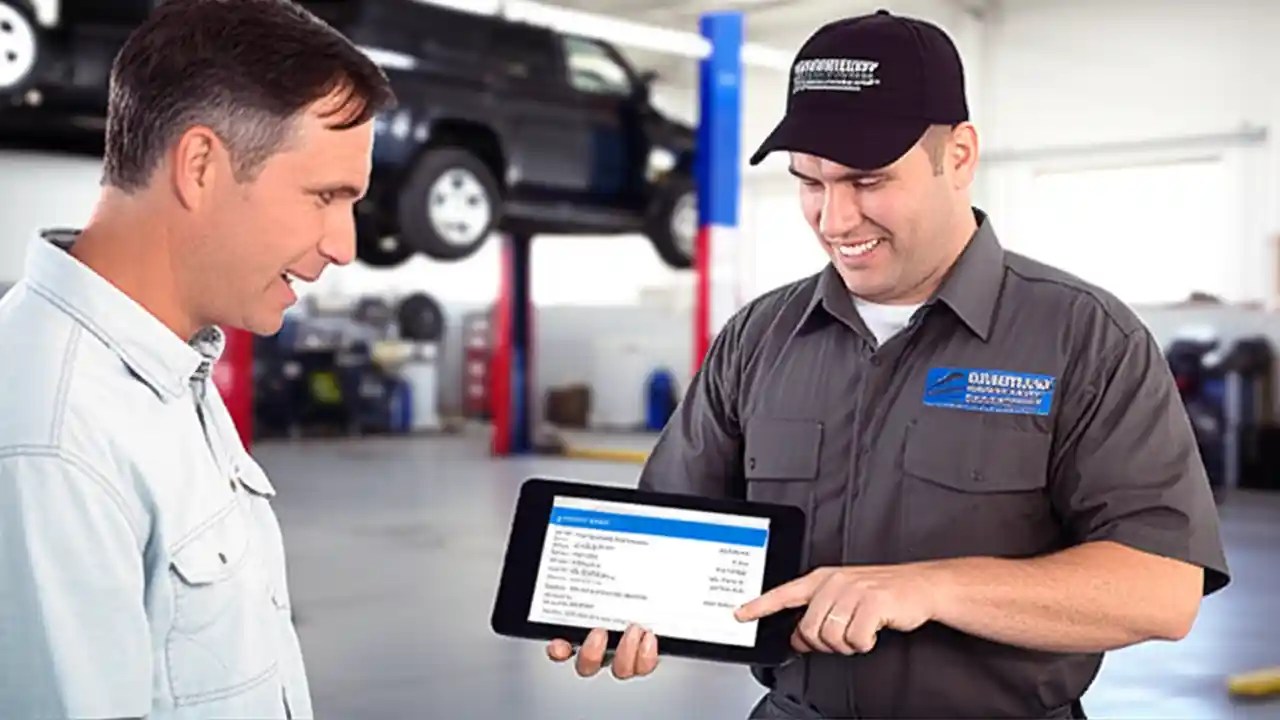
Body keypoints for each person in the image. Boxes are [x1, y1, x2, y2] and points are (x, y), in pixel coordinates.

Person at [546, 9, 1230, 719]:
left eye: (868, 181)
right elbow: (671, 533)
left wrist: (931, 588)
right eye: (809, 181)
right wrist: (610, 602)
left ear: (959, 155)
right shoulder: (757, 337)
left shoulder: (1086, 338)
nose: (834, 220)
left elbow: (1162, 588)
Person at [0, 1, 394, 718]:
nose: (344, 245)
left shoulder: (166, 370)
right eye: (325, 197)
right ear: (202, 165)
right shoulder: (51, 436)